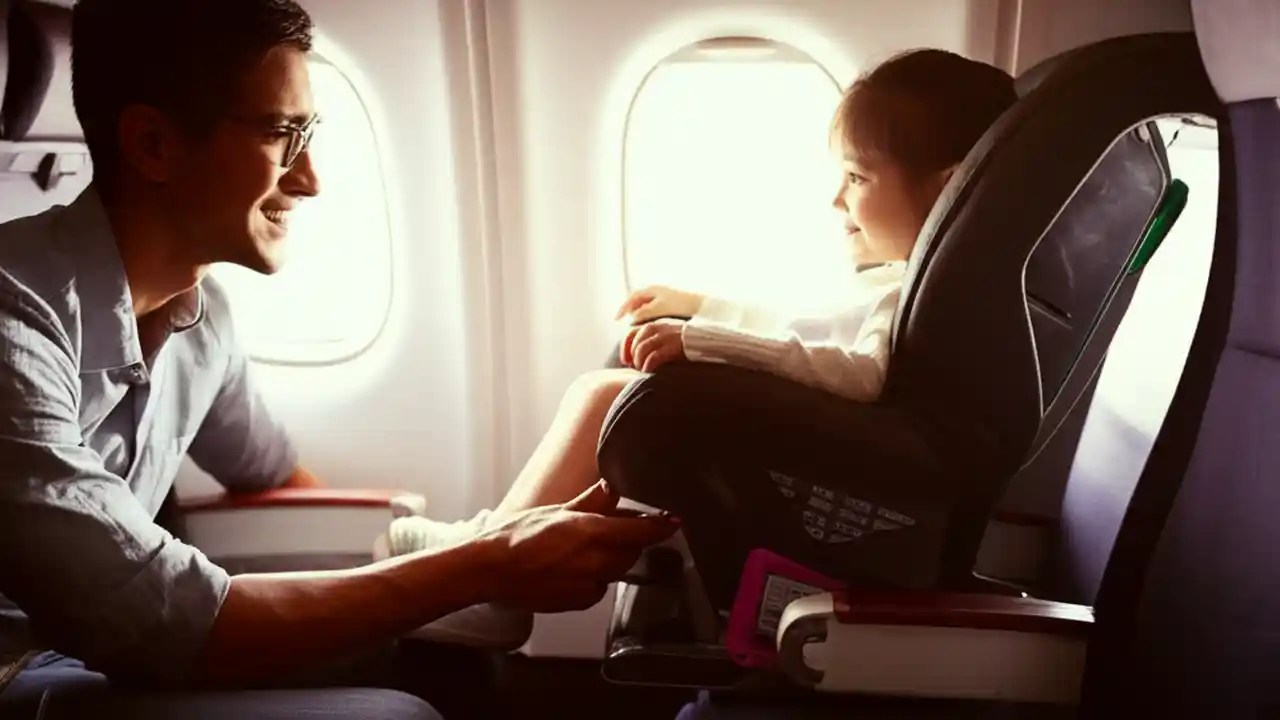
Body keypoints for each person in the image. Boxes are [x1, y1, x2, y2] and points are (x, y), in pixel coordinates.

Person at [0, 0, 677, 718]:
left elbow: (273, 477)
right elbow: (166, 621)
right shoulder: (15, 316)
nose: (310, 178)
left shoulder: (203, 318)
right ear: (154, 143)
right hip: (19, 666)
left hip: (101, 644)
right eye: (281, 134)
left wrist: (390, 558)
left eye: (308, 132)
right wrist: (484, 563)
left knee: (454, 666)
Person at [381, 49, 1019, 645]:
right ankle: (497, 540)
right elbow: (804, 331)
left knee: (606, 395)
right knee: (623, 372)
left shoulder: (907, 291)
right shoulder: (898, 278)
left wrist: (700, 341)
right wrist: (703, 309)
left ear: (944, 190)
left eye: (856, 177)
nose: (836, 199)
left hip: (827, 463)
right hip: (810, 436)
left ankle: (494, 580)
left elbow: (857, 377)